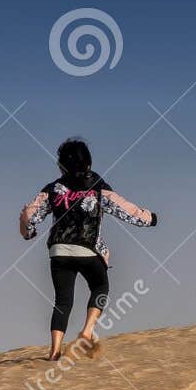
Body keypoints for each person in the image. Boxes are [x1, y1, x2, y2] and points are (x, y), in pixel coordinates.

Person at [19, 138, 158, 361]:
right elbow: (126, 210)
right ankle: (87, 330)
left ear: (62, 165)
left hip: (59, 251)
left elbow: (29, 214)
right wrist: (150, 218)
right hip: (88, 250)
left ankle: (54, 351)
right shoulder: (98, 187)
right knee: (101, 286)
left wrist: (28, 232)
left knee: (63, 301)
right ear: (89, 163)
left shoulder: (53, 189)